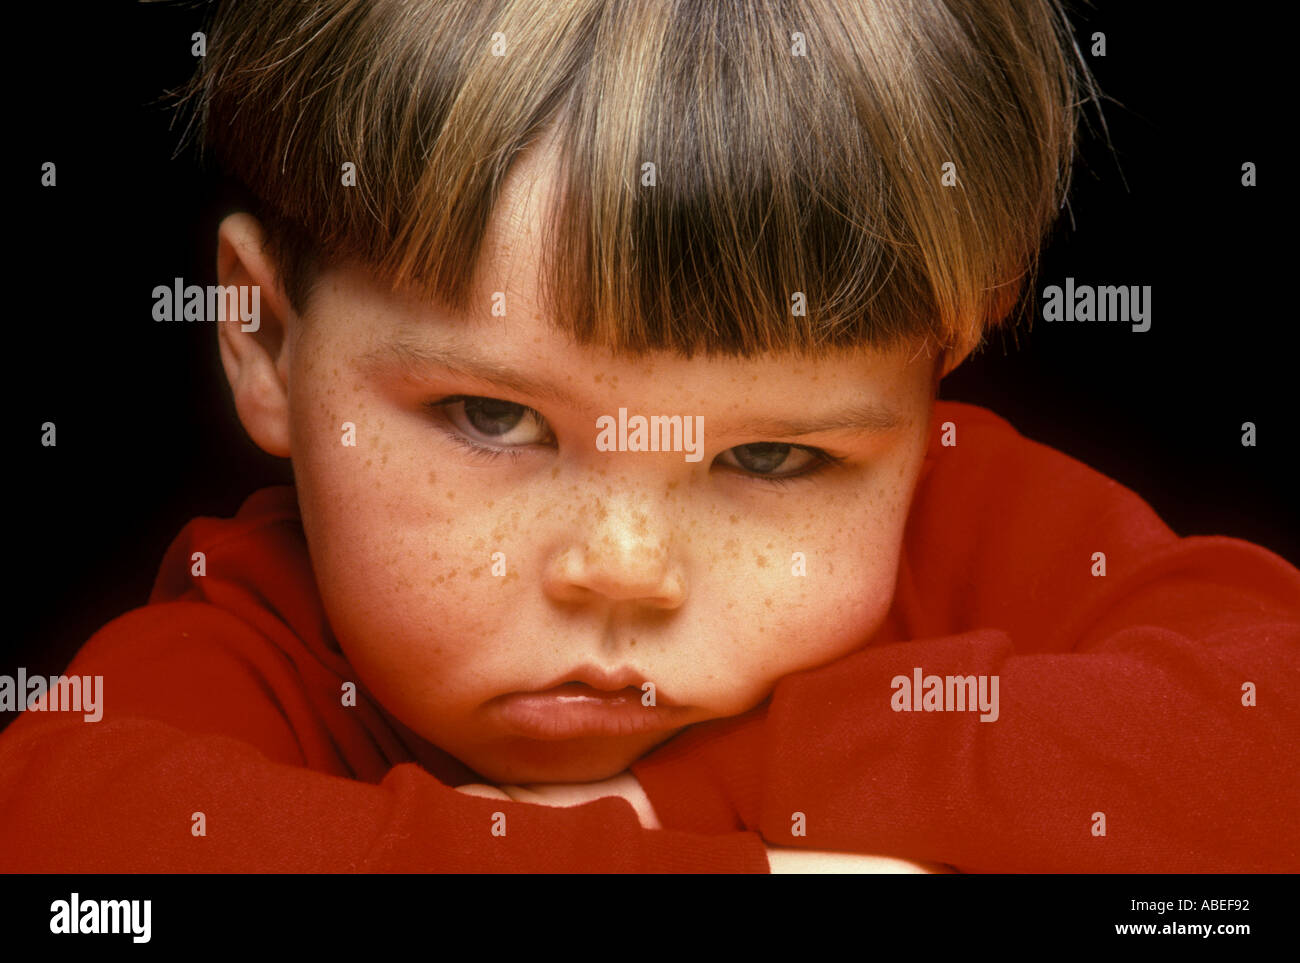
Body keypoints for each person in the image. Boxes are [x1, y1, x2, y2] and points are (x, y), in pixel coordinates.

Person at [2, 0, 1296, 873]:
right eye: (493, 415)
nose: (623, 571)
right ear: (264, 335)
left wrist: (699, 799)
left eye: (771, 458)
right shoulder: (264, 654)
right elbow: (55, 833)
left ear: (933, 384)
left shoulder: (967, 518)